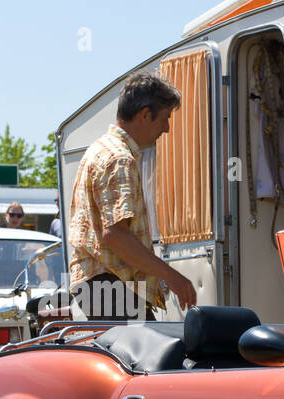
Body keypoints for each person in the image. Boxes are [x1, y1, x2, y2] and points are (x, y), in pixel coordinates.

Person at [68, 72, 196, 321]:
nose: (167, 129)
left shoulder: (98, 150)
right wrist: (172, 276)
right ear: (145, 114)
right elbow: (115, 235)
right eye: (165, 118)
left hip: (99, 287)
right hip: (113, 288)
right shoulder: (120, 159)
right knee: (144, 358)